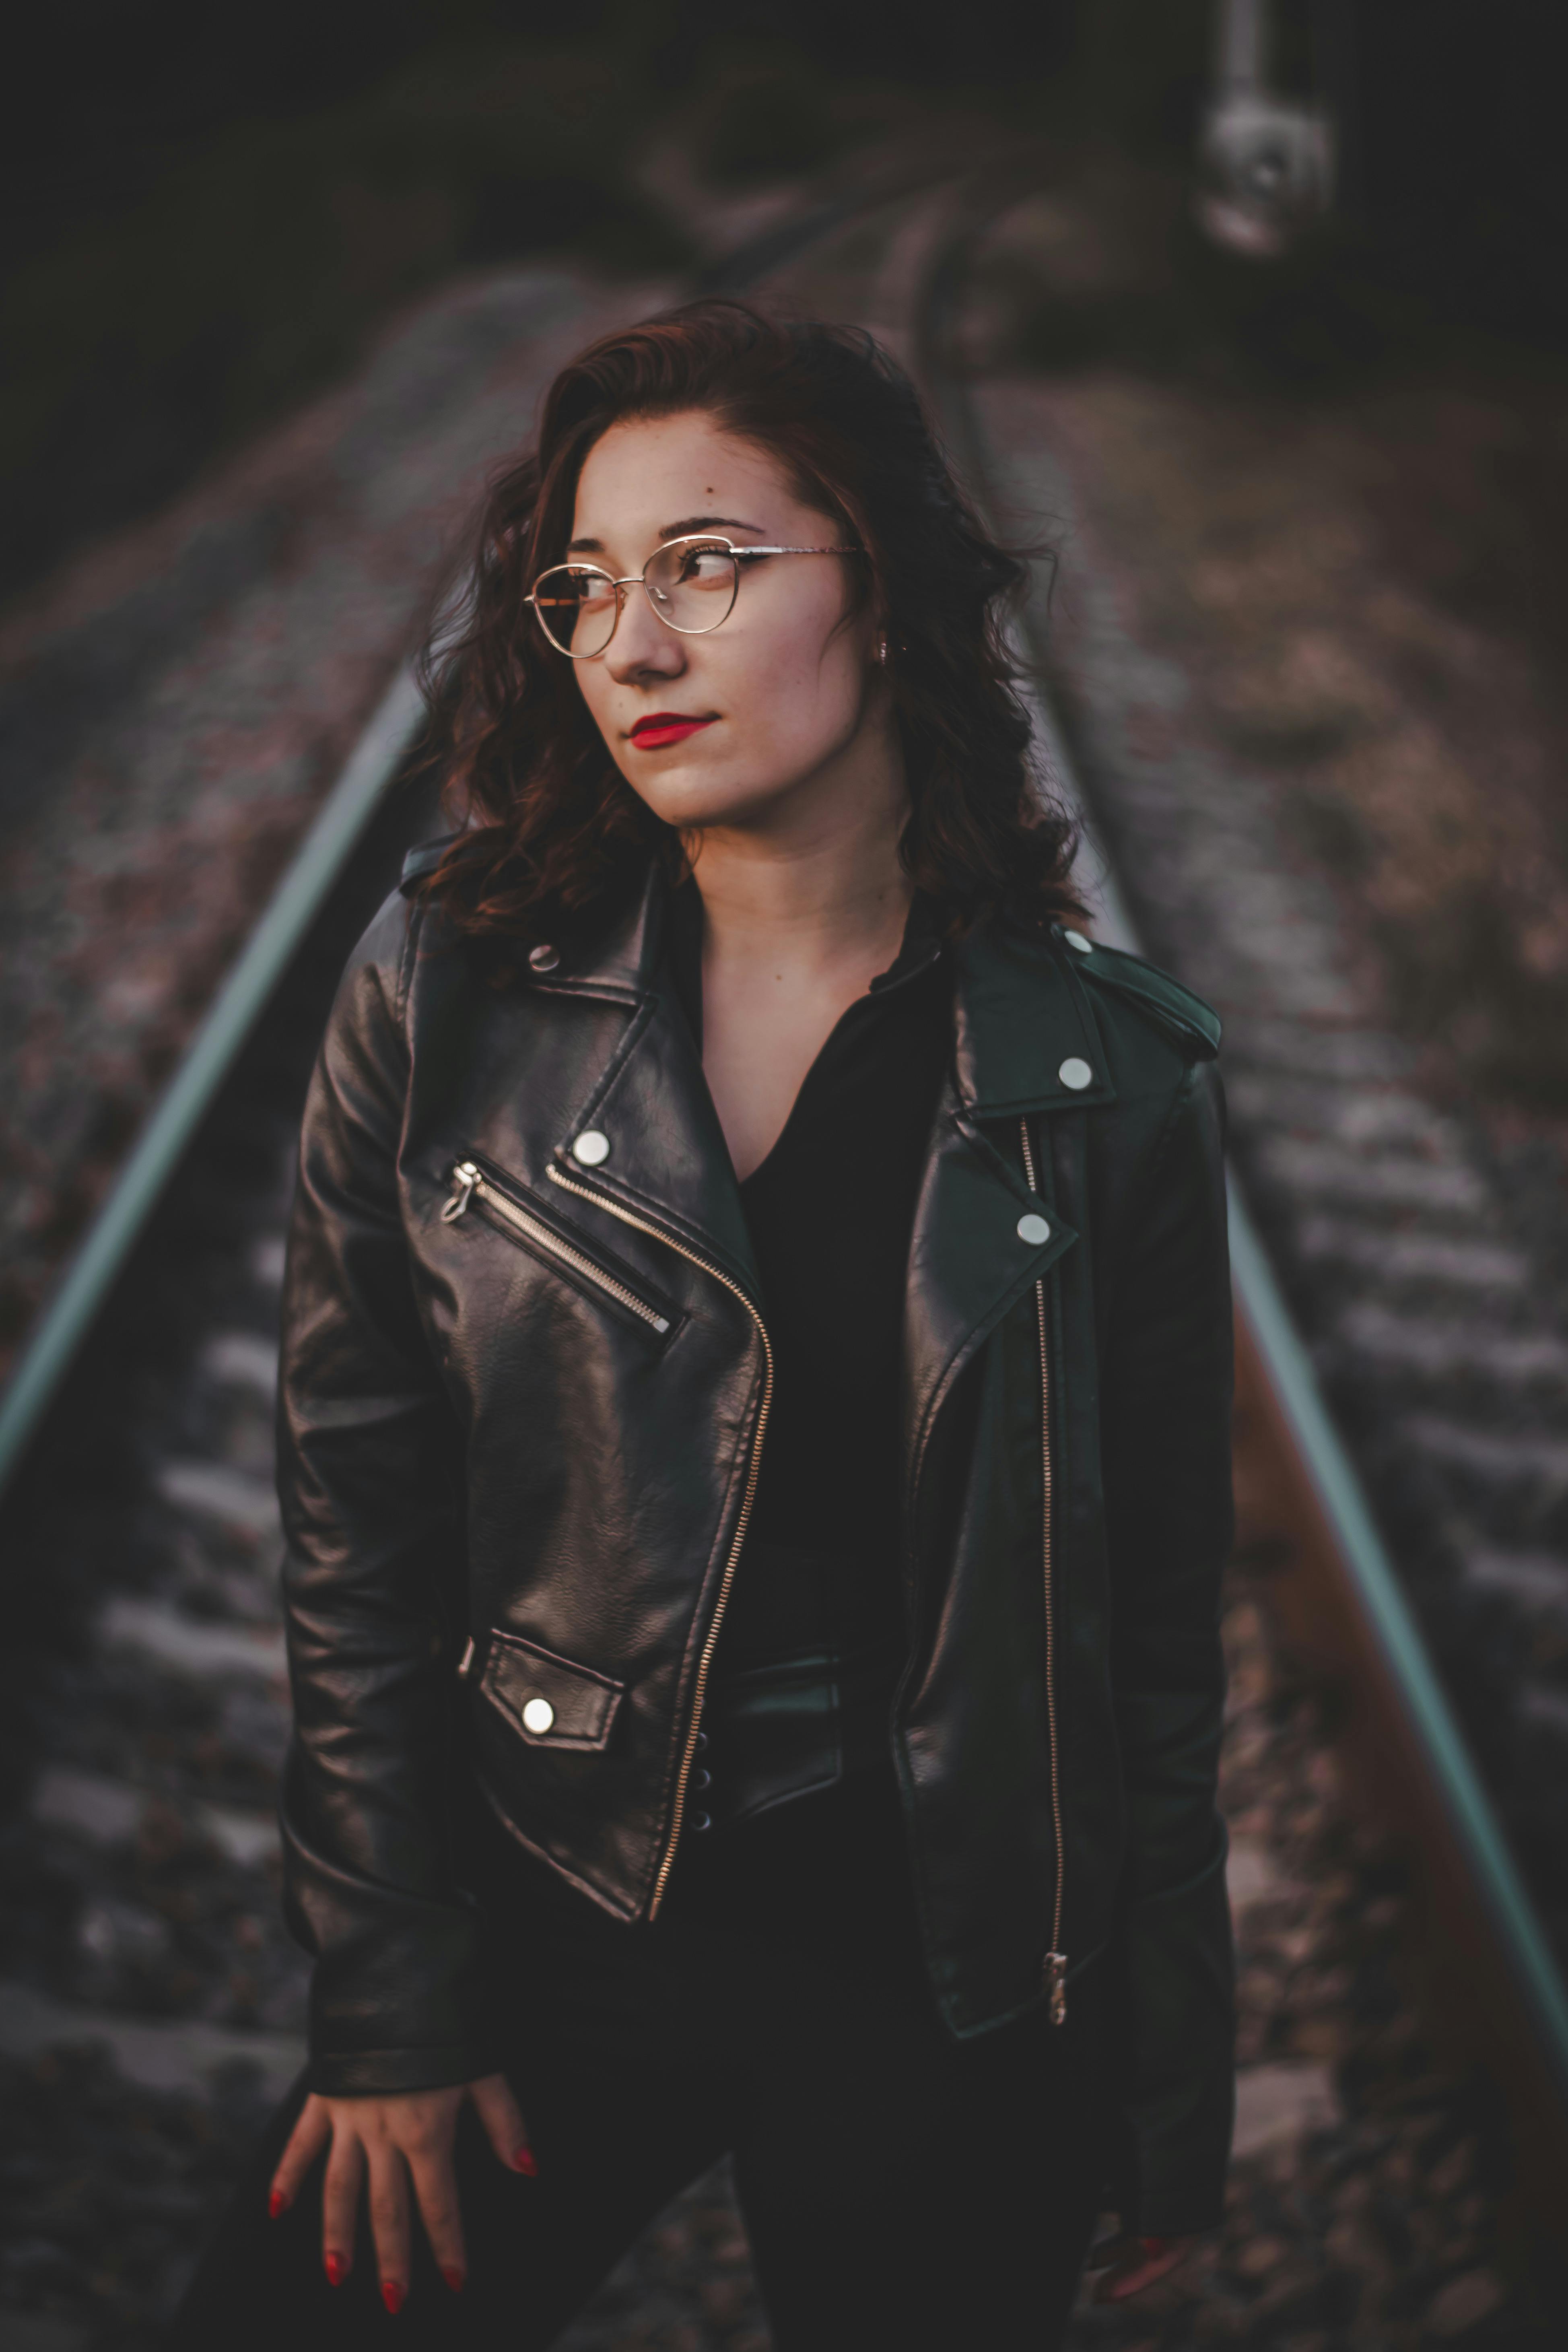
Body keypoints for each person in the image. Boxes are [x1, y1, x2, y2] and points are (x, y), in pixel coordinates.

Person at [171, 299, 1236, 2350]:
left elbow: (1148, 1640)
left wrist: (1160, 2083)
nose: (631, 648)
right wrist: (390, 1997)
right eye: (585, 589)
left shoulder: (1109, 1082)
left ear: (890, 583)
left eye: (708, 566)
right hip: (543, 1909)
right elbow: (352, 1523)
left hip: (943, 1988)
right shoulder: (451, 987)